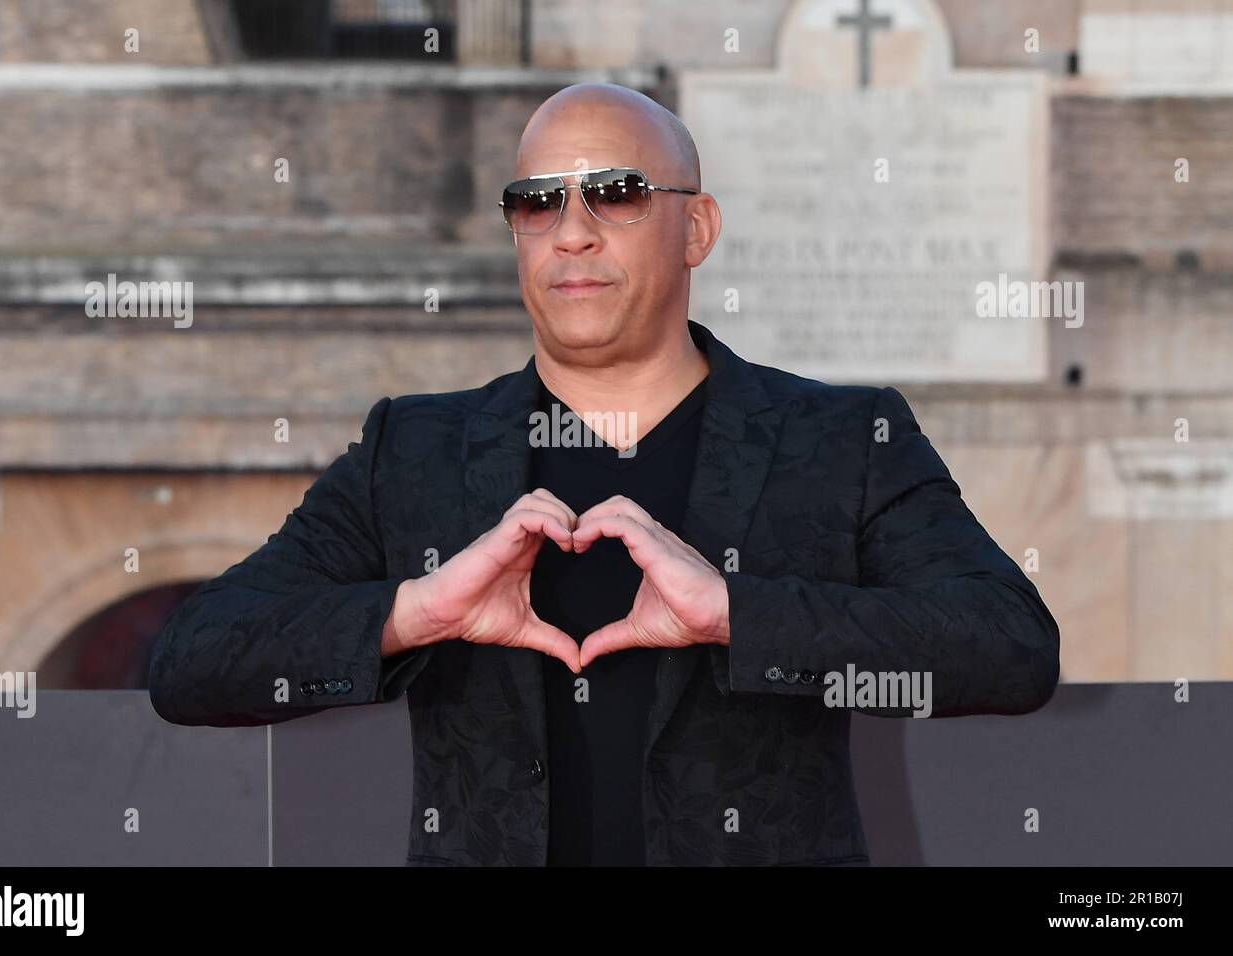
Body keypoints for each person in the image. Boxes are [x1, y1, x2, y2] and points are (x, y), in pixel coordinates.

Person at [148, 82, 1060, 867]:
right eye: (536, 201)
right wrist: (416, 611)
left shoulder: (840, 438)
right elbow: (195, 662)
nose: (571, 234)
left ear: (695, 226)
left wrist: (738, 615)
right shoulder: (415, 447)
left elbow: (1009, 647)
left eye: (616, 195)